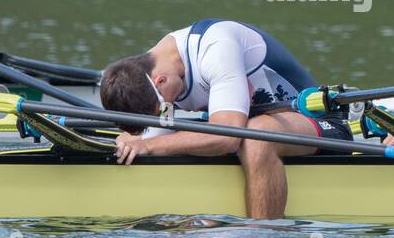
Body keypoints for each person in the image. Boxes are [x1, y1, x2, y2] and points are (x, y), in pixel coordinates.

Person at [98, 19, 350, 218]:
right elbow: (154, 135)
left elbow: (227, 136)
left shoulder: (216, 47)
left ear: (160, 82)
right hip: (246, 126)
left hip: (323, 126)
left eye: (163, 108)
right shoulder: (150, 72)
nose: (168, 111)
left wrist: (149, 145)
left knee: (254, 135)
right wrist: (131, 141)